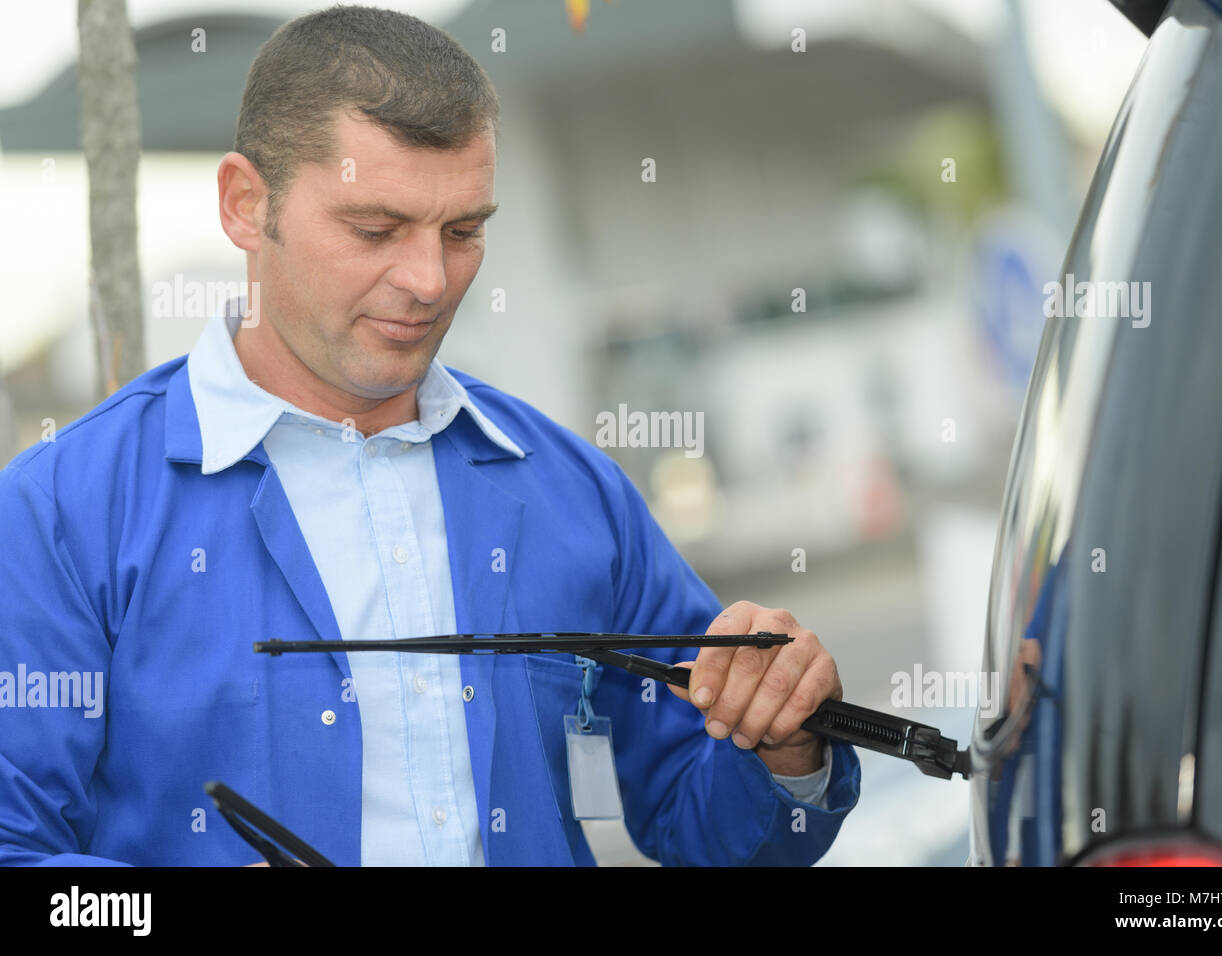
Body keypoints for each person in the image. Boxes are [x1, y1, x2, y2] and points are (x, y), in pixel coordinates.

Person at [0, 6, 860, 866]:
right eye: (375, 230)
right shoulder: (60, 516)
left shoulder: (568, 489)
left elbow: (702, 826)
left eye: (463, 232)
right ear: (244, 204)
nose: (427, 280)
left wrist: (786, 744)